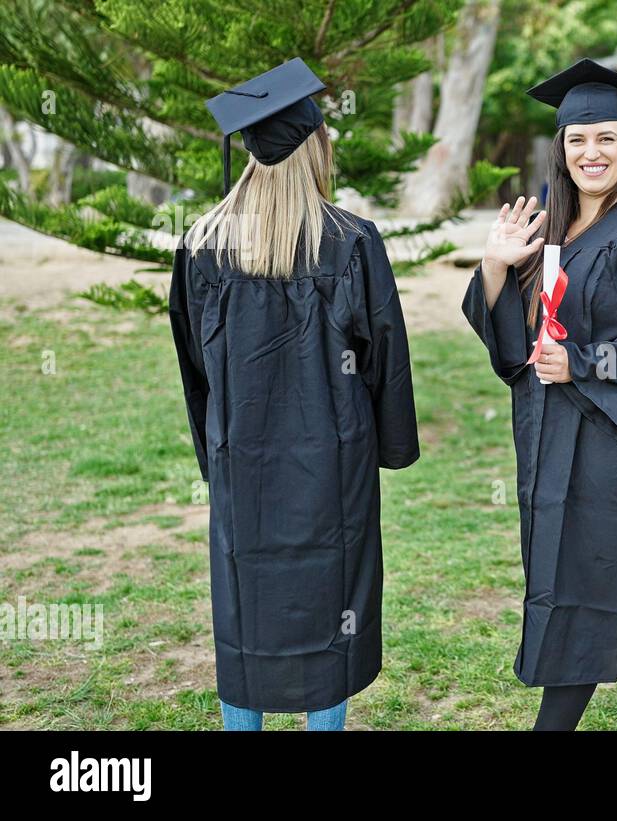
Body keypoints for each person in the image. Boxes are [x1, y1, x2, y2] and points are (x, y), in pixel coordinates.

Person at [170, 58, 420, 731]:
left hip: (242, 466)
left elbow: (196, 368)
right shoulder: (352, 242)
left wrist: (215, 456)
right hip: (331, 468)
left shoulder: (202, 248)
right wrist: (390, 446)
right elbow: (385, 361)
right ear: (315, 149)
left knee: (244, 602)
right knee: (328, 601)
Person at [462, 59, 617, 731]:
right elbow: (513, 347)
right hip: (548, 436)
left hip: (612, 442)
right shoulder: (546, 230)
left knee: (586, 579)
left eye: (606, 138)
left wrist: (584, 363)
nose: (590, 153)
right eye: (576, 140)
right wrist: (495, 264)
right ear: (560, 148)